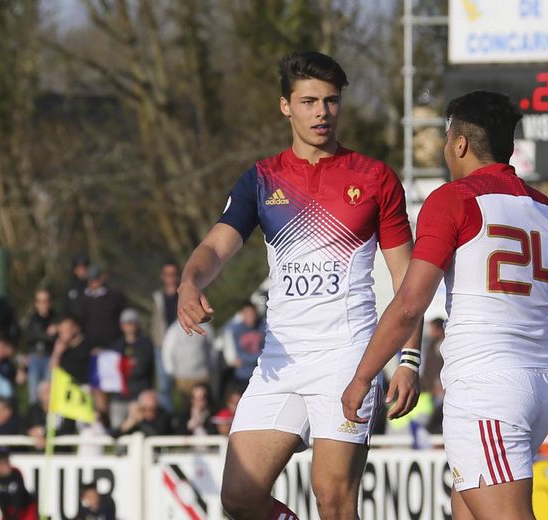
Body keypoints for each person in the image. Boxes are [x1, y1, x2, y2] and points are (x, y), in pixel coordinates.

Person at [176, 50, 420, 520]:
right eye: (309, 101)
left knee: (333, 499)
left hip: (348, 357)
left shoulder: (375, 178)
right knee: (239, 499)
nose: (322, 112)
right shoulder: (261, 179)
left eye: (331, 101)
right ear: (285, 106)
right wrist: (189, 283)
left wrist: (409, 359)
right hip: (280, 361)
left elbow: (407, 278)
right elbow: (214, 249)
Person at [342, 90, 548, 520]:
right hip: (537, 386)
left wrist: (362, 376)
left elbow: (409, 304)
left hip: (487, 389)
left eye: (447, 139)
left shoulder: (452, 199)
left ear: (459, 143)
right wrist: (528, 318)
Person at [151, 261, 180, 411]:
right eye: (167, 274)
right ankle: (168, 419)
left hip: (182, 346)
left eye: (173, 274)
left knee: (184, 387)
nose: (171, 277)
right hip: (162, 346)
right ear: (163, 276)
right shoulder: (158, 297)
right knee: (164, 387)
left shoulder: (185, 294)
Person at [76, 265, 125, 351]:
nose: (94, 282)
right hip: (90, 345)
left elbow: (123, 315)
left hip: (112, 343)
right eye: (91, 279)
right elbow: (80, 320)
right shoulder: (82, 299)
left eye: (96, 278)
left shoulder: (115, 295)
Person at [22, 288, 58, 404]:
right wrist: (47, 335)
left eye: (46, 301)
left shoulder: (56, 318)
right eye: (40, 301)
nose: (44, 304)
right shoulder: (32, 319)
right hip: (35, 358)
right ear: (36, 303)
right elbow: (28, 338)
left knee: (51, 393)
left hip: (50, 358)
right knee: (34, 395)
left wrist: (43, 335)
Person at [162, 319, 214, 396]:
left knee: (203, 400)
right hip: (183, 376)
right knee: (186, 403)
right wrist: (171, 371)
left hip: (202, 374)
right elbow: (167, 351)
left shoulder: (205, 327)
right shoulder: (174, 329)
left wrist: (211, 366)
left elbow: (212, 347)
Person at [220, 301, 265, 388]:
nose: (250, 316)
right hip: (243, 376)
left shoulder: (263, 327)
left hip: (261, 374)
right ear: (242, 314)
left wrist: (245, 360)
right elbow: (237, 356)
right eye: (247, 313)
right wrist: (257, 358)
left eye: (251, 313)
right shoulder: (235, 329)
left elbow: (266, 352)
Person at [0, 447, 38, 520]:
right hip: (9, 509)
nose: (2, 467)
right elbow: (0, 497)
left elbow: (18, 498)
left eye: (5, 463)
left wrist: (13, 517)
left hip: (25, 508)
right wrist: (6, 516)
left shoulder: (16, 473)